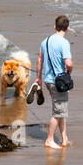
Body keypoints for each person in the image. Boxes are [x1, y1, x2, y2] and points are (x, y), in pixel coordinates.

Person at [34, 15, 73, 149]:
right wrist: (70, 71)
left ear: (55, 27)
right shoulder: (64, 42)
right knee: (58, 112)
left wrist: (38, 77)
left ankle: (64, 138)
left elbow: (39, 60)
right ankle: (49, 140)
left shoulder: (45, 41)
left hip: (47, 80)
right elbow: (68, 63)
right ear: (67, 28)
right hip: (59, 82)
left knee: (61, 109)